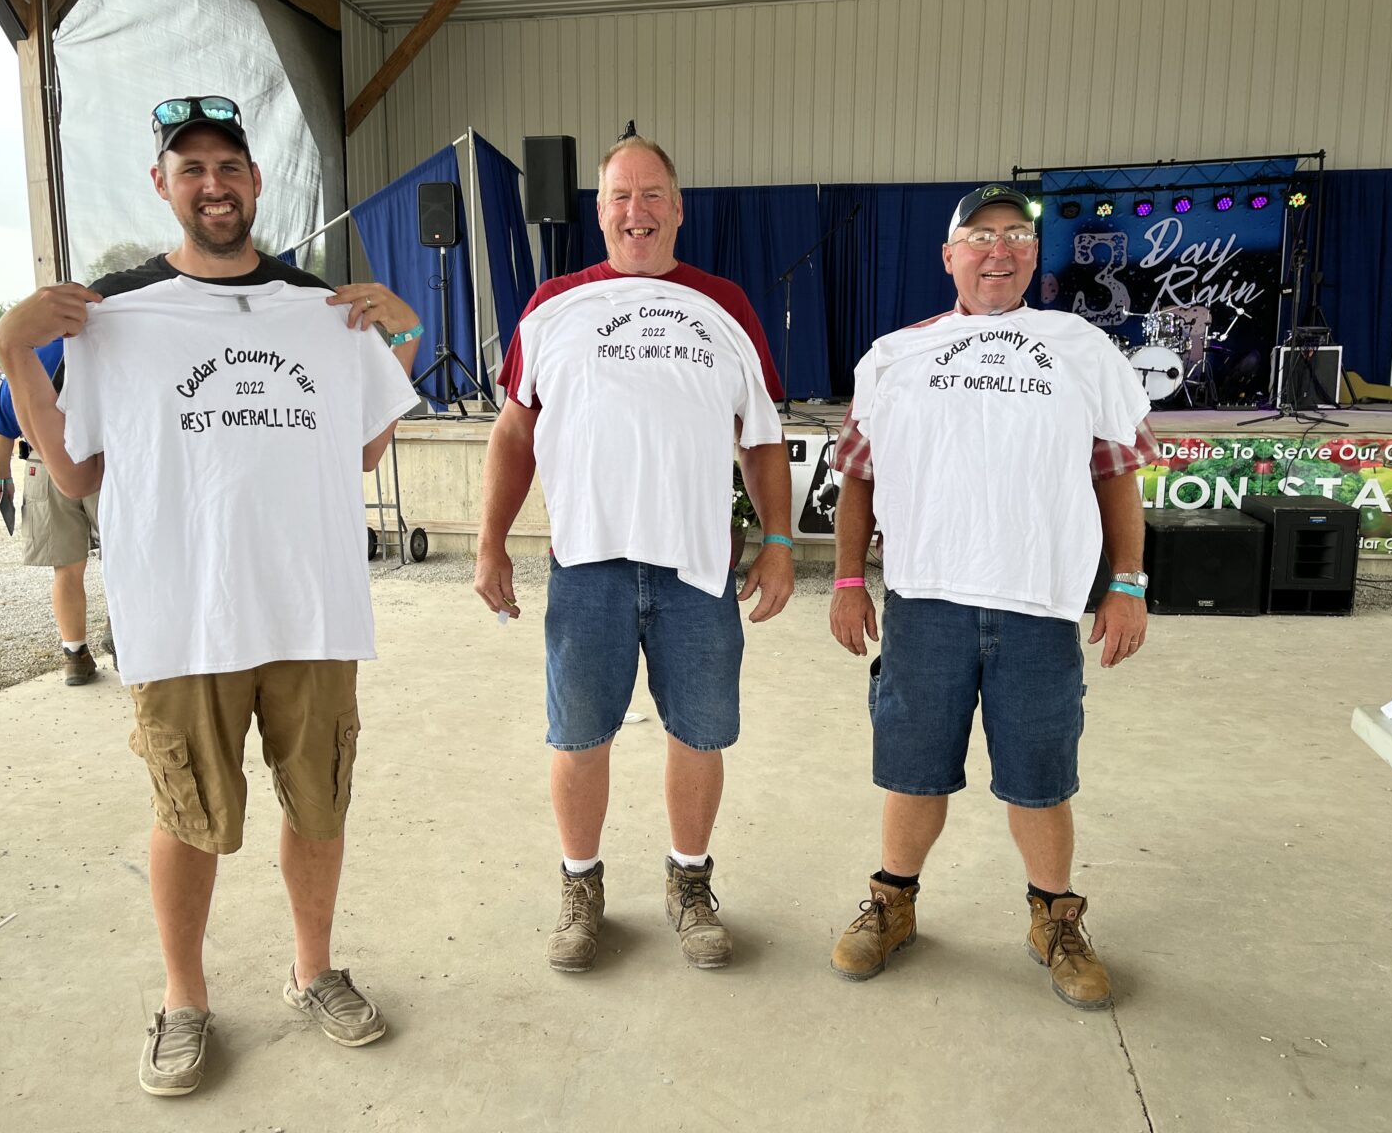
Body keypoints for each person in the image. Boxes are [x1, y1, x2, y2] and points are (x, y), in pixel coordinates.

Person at [0, 94, 424, 1096]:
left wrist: (401, 337)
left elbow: (359, 449)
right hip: (180, 613)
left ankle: (314, 971)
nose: (213, 184)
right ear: (163, 186)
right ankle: (184, 1001)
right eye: (191, 169)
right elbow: (74, 475)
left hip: (309, 608)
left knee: (319, 800)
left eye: (228, 165)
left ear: (256, 181)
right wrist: (19, 353)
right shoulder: (115, 313)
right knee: (188, 812)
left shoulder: (320, 308)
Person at [825, 184, 1157, 1009]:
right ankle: (892, 903)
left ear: (1033, 257)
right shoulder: (895, 356)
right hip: (925, 600)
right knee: (913, 771)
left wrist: (1126, 583)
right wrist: (843, 579)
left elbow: (1117, 474)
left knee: (1042, 777)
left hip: (1038, 604)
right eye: (979, 236)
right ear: (949, 256)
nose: (997, 250)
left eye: (1015, 235)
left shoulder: (1079, 348)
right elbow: (858, 478)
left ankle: (1055, 920)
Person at [473, 136, 795, 974]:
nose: (636, 210)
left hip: (695, 569)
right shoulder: (552, 306)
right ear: (600, 209)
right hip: (588, 565)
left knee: (700, 733)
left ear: (679, 208)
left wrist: (780, 542)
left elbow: (761, 438)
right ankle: (582, 890)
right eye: (620, 195)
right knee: (578, 737)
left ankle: (689, 885)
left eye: (653, 194)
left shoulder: (724, 306)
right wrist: (489, 541)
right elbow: (516, 430)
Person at [0, 339, 102, 685]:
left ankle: (75, 655)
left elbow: (3, 424)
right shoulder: (103, 345)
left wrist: (1, 476)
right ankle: (123, 639)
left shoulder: (25, 356)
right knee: (123, 555)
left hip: (44, 463)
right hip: (103, 459)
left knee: (66, 567)